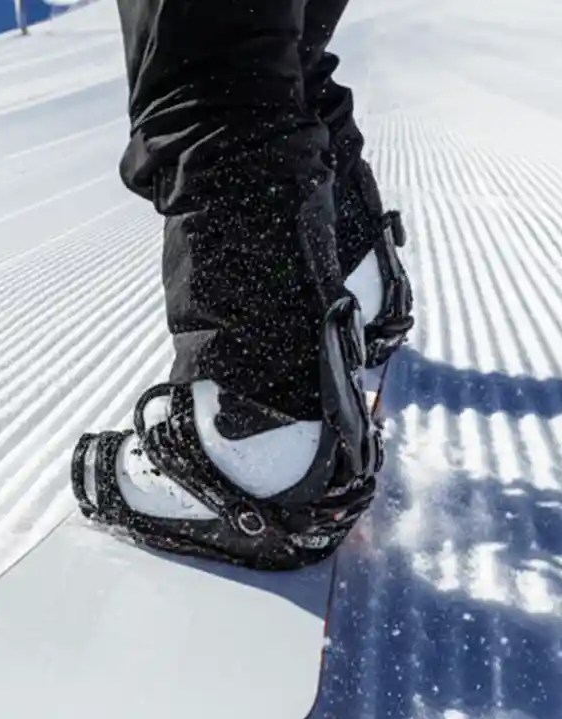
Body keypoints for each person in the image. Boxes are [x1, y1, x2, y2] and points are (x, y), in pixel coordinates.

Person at [71, 0, 413, 571]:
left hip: (268, 445)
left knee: (208, 63)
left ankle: (260, 432)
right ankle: (358, 281)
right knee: (270, 49)